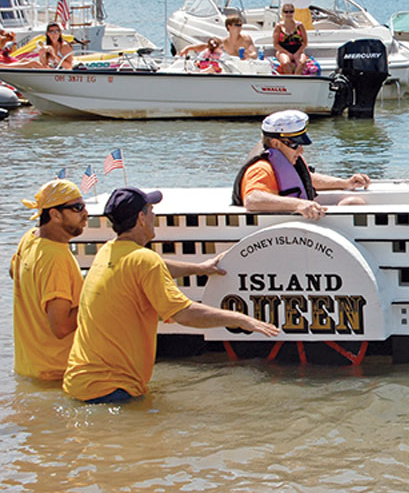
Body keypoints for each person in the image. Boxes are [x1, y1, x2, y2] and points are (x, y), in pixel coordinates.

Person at [62, 187, 280, 403]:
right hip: (111, 389)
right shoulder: (144, 261)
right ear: (141, 218)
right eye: (151, 210)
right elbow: (184, 314)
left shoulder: (108, 252)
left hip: (77, 383)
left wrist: (200, 268)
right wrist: (240, 319)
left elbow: (158, 267)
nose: (154, 215)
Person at [10, 180, 87, 381]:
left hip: (29, 367)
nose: (86, 213)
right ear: (54, 214)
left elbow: (13, 272)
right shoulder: (55, 257)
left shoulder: (29, 239)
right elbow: (61, 327)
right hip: (56, 374)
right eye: (77, 208)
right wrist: (96, 298)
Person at [233, 109, 371, 219]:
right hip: (281, 233)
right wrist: (299, 205)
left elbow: (308, 179)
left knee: (353, 202)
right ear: (276, 143)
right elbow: (253, 200)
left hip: (300, 226)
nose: (301, 149)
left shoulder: (286, 160)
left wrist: (345, 183)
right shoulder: (261, 169)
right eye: (295, 144)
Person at [273, 4, 309, 75]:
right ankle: (289, 79)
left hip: (298, 50)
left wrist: (297, 53)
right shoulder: (279, 27)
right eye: (286, 12)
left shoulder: (300, 26)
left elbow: (305, 43)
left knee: (302, 63)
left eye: (291, 11)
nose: (288, 14)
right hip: (283, 50)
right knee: (286, 63)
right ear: (282, 13)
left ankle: (296, 79)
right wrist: (287, 53)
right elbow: (276, 44)